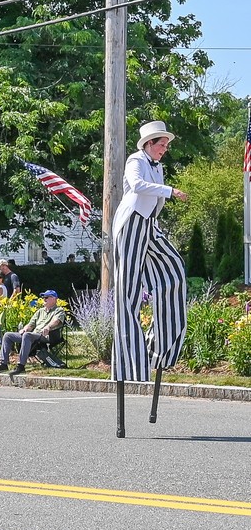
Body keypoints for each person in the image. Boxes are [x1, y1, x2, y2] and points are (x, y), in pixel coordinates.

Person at [111, 120, 188, 385]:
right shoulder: (136, 160)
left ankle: (159, 343)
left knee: (174, 269)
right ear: (149, 144)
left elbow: (155, 201)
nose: (164, 149)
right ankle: (130, 360)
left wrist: (157, 215)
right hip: (131, 222)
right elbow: (136, 185)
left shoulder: (159, 166)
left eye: (166, 145)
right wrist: (170, 190)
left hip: (149, 224)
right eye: (161, 145)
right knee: (129, 292)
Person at [0, 290, 65, 376]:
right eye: (43, 297)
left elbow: (56, 321)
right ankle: (3, 364)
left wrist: (48, 327)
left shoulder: (59, 310)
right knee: (8, 335)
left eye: (46, 297)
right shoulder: (40, 311)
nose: (44, 299)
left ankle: (21, 365)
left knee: (27, 335)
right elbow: (30, 325)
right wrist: (24, 329)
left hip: (48, 335)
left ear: (54, 299)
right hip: (34, 335)